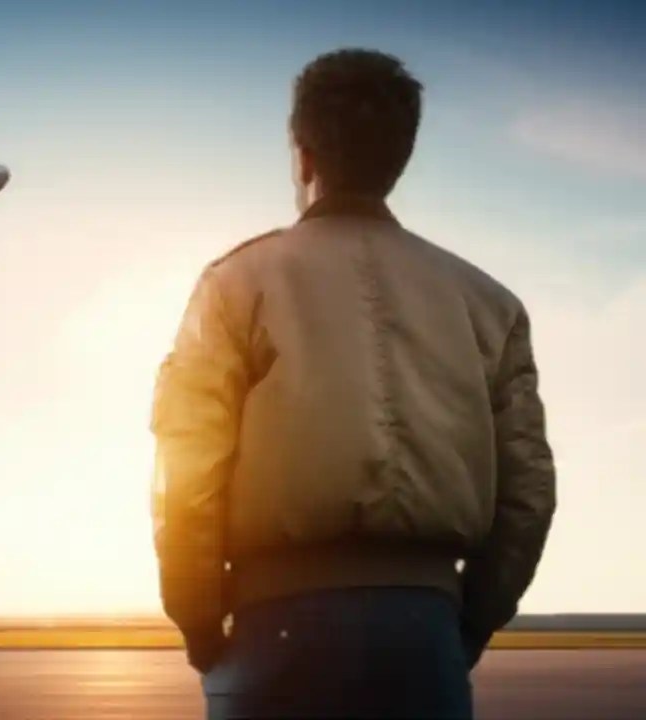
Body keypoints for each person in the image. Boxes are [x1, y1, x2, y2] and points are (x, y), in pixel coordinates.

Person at [149, 48, 557, 719]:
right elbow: (529, 492)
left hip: (274, 628)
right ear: (401, 157)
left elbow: (188, 469)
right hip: (425, 633)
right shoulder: (490, 303)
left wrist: (197, 622)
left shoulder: (233, 285)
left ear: (303, 156)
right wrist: (468, 623)